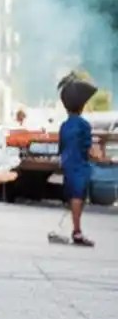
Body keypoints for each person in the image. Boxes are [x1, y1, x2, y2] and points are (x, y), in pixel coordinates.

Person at [58, 74, 97, 246]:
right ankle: (77, 231)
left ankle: (76, 228)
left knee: (74, 197)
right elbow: (89, 149)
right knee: (78, 197)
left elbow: (62, 147)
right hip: (80, 165)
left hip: (67, 164)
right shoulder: (84, 125)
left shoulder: (64, 126)